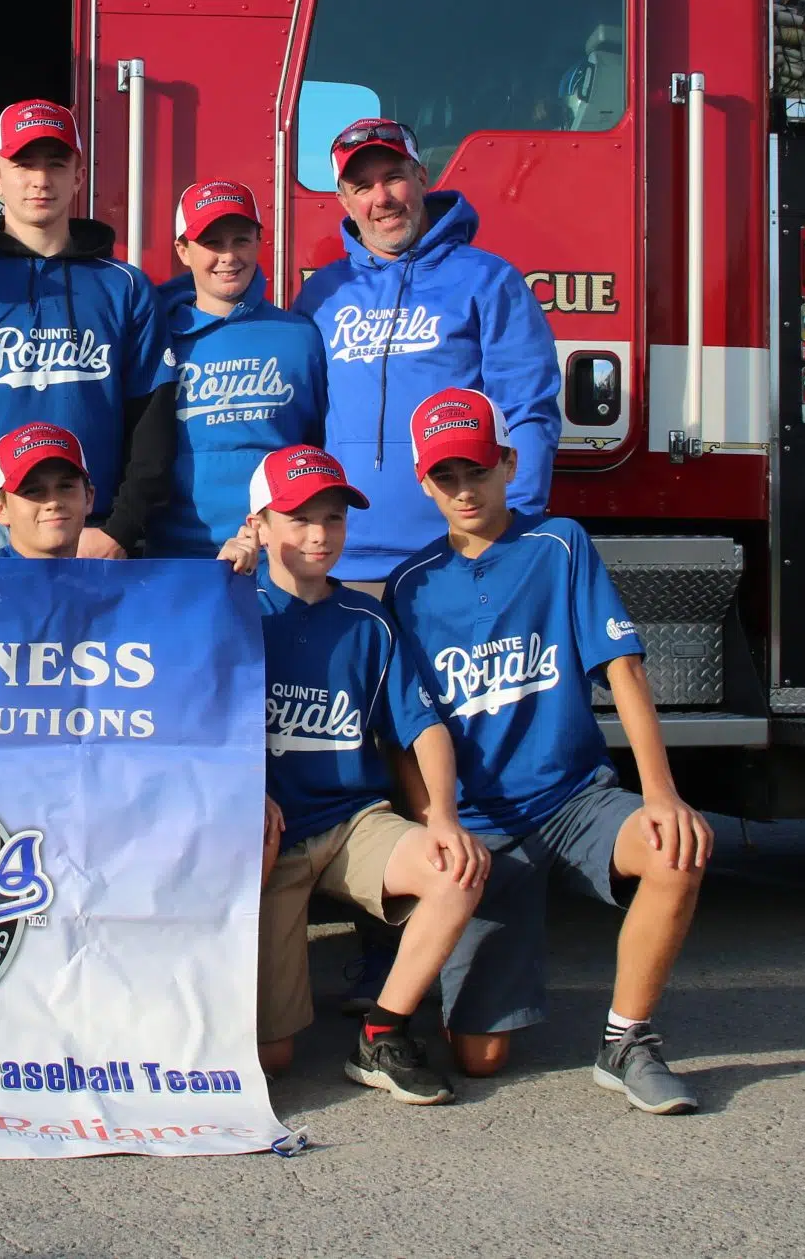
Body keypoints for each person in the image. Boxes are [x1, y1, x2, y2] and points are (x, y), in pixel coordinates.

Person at [384, 387, 709, 1115]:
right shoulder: (409, 586)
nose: (465, 489)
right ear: (423, 482)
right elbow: (408, 731)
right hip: (482, 828)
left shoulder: (560, 544)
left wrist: (661, 794)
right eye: (446, 476)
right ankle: (447, 977)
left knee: (675, 848)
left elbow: (622, 670)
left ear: (508, 461)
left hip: (572, 798)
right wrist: (436, 821)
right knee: (481, 1059)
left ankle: (628, 1041)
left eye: (477, 468)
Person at [243, 444, 484, 1102]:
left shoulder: (368, 619)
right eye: (298, 519)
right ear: (258, 524)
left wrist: (443, 819)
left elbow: (421, 726)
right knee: (274, 1057)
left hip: (353, 823)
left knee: (456, 869)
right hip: (270, 840)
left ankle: (382, 1031)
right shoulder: (235, 611)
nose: (320, 535)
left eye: (333, 518)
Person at [292, 119, 558, 588]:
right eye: (362, 186)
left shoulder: (490, 281)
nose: (382, 199)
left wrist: (514, 531)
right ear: (344, 202)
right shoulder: (323, 295)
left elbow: (526, 414)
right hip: (343, 562)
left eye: (393, 177)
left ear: (422, 175)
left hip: (457, 559)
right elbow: (301, 424)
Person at [0, 100, 172, 558]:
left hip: (93, 532)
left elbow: (151, 421)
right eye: (23, 164)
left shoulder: (125, 286)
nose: (40, 180)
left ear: (79, 176)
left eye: (56, 164)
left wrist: (122, 529)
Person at [147, 179, 328, 558]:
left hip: (277, 555)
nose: (228, 256)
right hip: (176, 554)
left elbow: (316, 442)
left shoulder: (299, 337)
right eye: (212, 243)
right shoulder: (158, 338)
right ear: (183, 250)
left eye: (240, 240)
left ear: (259, 240)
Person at [0, 421, 92, 560]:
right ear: (1, 509)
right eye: (32, 491)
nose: (53, 503)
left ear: (88, 497)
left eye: (65, 486)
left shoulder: (114, 579)